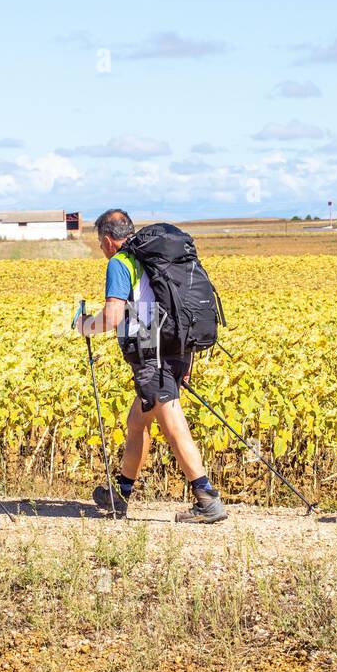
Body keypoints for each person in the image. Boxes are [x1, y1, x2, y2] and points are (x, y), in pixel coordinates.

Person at [74, 209, 227, 524]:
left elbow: (113, 317)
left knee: (170, 419)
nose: (101, 250)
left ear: (107, 239)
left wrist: (85, 325)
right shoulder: (159, 257)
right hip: (176, 346)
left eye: (100, 243)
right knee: (137, 421)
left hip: (149, 347)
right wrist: (187, 360)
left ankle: (206, 497)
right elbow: (180, 308)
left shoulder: (121, 263)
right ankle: (120, 494)